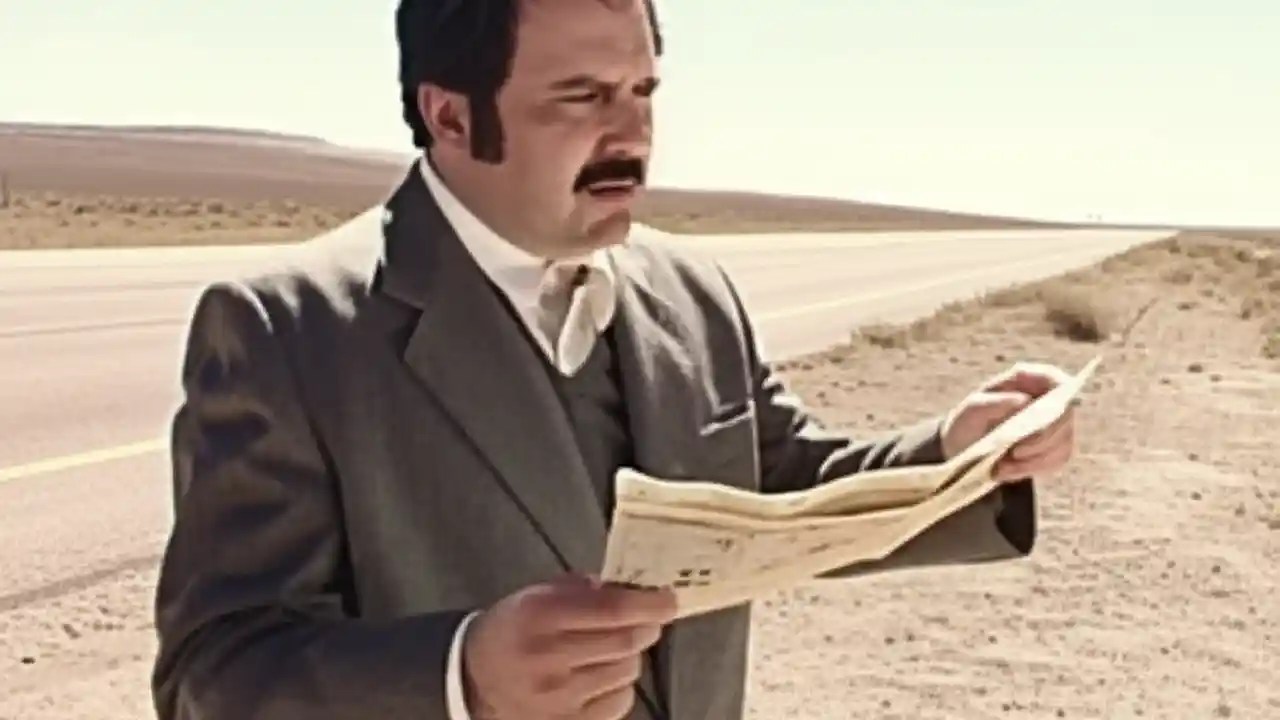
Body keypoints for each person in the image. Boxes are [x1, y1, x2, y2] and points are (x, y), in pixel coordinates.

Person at [150, 0, 1079, 718]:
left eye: (642, 93)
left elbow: (774, 494)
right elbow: (215, 671)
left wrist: (956, 455)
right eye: (583, 97)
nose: (631, 137)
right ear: (452, 117)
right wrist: (460, 678)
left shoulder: (691, 293)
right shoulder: (289, 330)